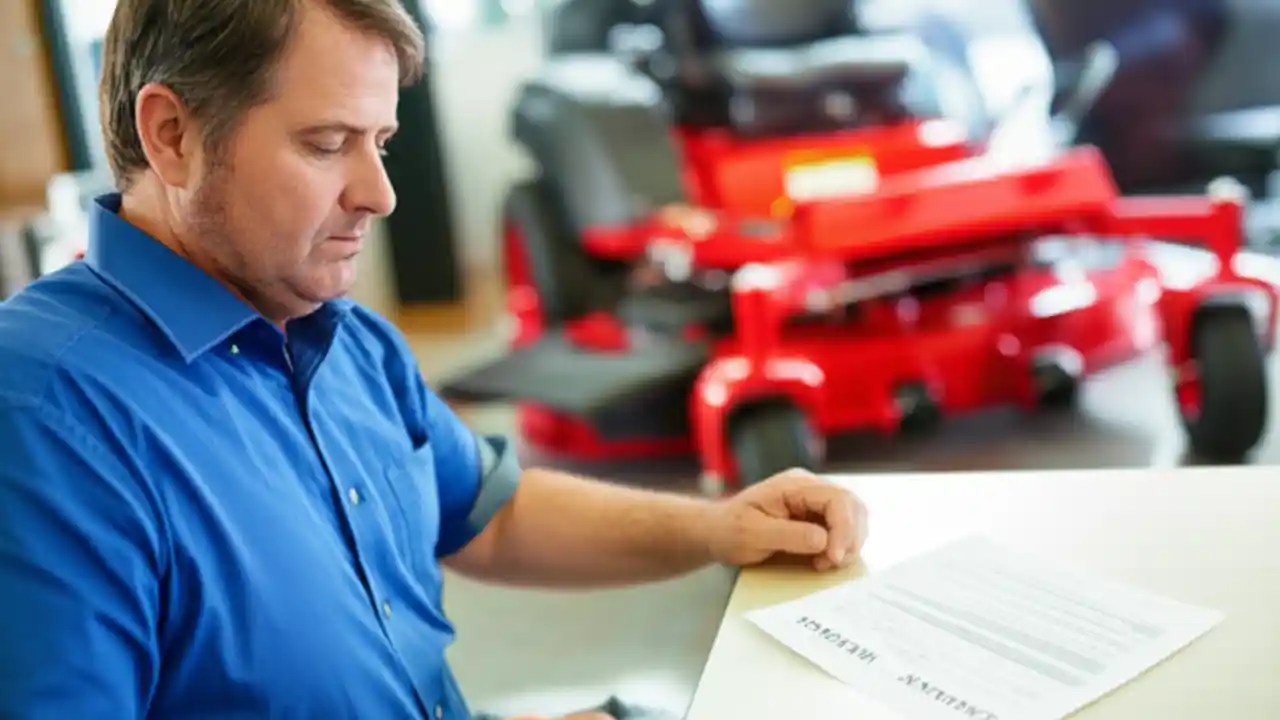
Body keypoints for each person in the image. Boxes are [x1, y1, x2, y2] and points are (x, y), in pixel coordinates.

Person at [0, 1, 869, 719]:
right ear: (173, 135)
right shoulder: (46, 415)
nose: (378, 193)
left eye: (379, 141)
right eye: (326, 143)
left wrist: (719, 528)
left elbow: (491, 514)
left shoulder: (341, 337)